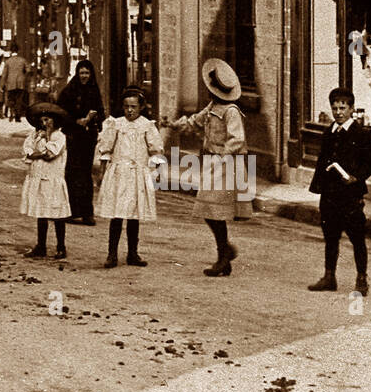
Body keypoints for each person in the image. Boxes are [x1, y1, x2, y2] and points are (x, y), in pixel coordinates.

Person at [164, 59, 247, 277]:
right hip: (211, 163)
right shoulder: (212, 107)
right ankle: (225, 254)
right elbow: (194, 122)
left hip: (225, 165)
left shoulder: (231, 111)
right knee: (209, 210)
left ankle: (223, 255)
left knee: (213, 210)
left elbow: (237, 139)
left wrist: (223, 156)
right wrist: (174, 125)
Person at [308, 87, 371, 296]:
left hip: (350, 195)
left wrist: (356, 177)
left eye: (343, 108)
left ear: (351, 109)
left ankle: (362, 278)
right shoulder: (330, 131)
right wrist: (318, 185)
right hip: (330, 194)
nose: (338, 112)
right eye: (335, 108)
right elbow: (322, 161)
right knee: (330, 236)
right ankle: (330, 276)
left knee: (357, 237)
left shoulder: (360, 134)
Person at [95, 89, 165, 268]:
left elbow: (155, 150)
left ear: (141, 107)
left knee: (134, 215)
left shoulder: (147, 126)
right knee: (117, 215)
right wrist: (102, 173)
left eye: (133, 107)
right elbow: (106, 149)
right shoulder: (116, 125)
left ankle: (133, 253)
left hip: (137, 174)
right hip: (119, 174)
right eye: (126, 107)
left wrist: (153, 173)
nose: (130, 110)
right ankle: (112, 254)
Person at [21, 102, 72, 259]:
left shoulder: (59, 137)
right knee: (41, 212)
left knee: (57, 214)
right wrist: (37, 151)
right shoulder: (34, 136)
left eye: (48, 120)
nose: (44, 123)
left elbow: (50, 155)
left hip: (53, 179)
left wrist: (37, 152)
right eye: (42, 120)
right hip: (38, 177)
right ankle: (41, 246)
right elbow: (26, 152)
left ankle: (61, 246)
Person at [56, 60, 104, 225]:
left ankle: (86, 212)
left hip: (88, 138)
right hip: (73, 137)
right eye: (82, 73)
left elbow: (101, 112)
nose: (84, 76)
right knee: (71, 172)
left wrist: (92, 118)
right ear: (77, 74)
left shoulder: (94, 91)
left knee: (85, 174)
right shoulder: (69, 91)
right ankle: (70, 210)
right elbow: (60, 112)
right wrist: (76, 121)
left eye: (87, 73)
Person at [2, 49, 29, 123]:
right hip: (20, 83)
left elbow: (4, 74)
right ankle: (18, 116)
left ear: (11, 52)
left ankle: (11, 114)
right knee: (19, 100)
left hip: (10, 83)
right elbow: (28, 70)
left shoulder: (8, 61)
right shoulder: (23, 60)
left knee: (11, 99)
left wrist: (2, 85)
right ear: (18, 52)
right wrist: (23, 76)